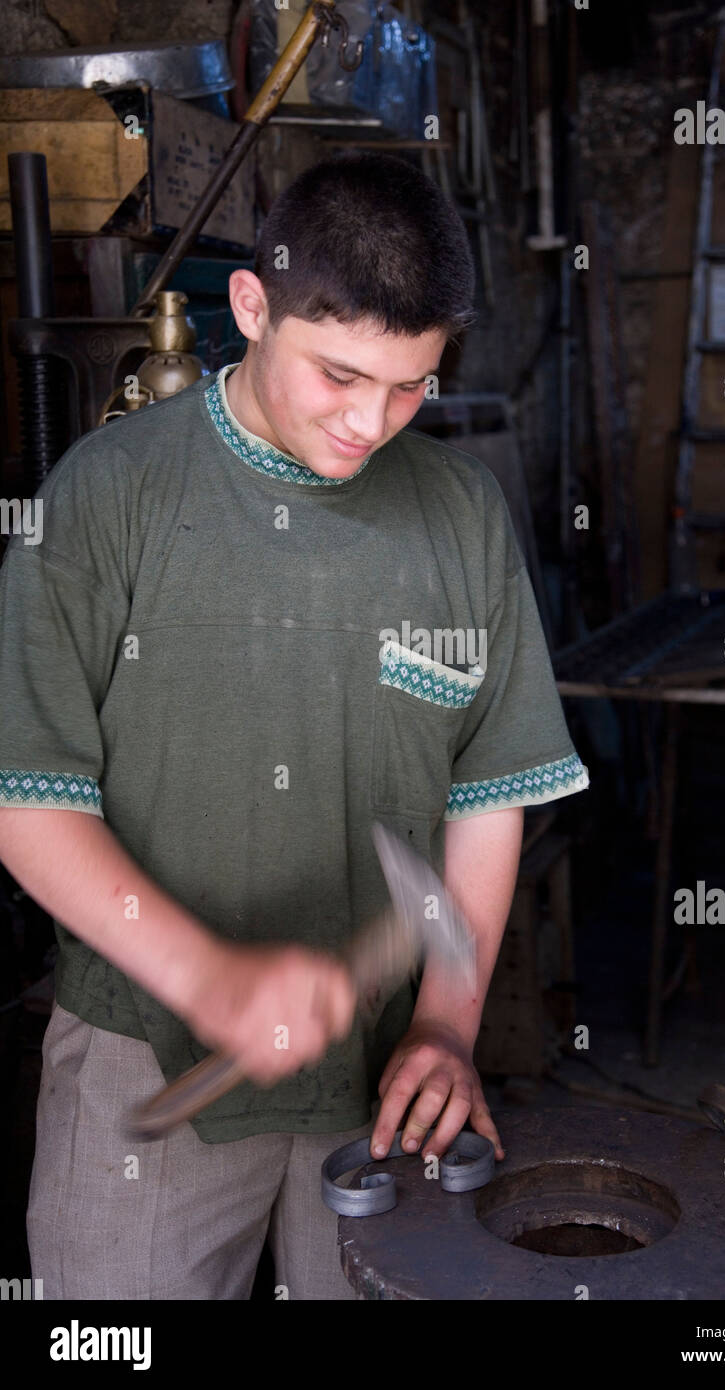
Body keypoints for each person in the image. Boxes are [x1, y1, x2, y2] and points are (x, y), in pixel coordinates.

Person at [0, 151, 589, 1300]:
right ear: (250, 307)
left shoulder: (459, 516)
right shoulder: (105, 496)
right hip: (143, 1063)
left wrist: (446, 1027)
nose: (372, 421)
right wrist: (211, 978)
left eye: (411, 383)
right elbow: (29, 803)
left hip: (381, 1082)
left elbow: (486, 794)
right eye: (338, 375)